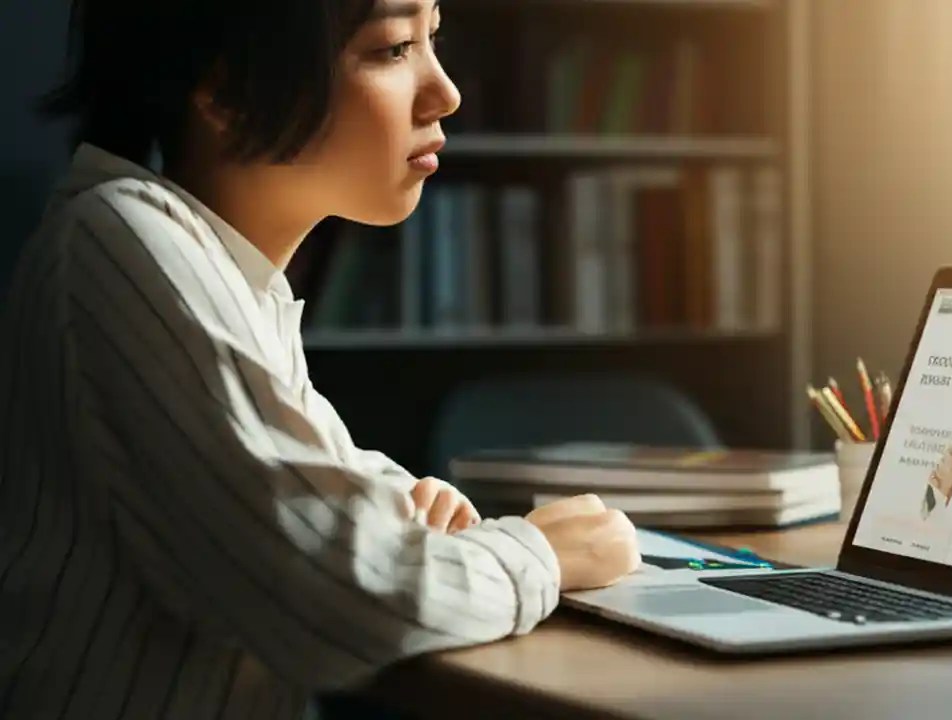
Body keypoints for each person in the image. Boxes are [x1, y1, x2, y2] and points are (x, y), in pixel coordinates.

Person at [0, 1, 641, 718]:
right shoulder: (122, 238)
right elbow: (349, 594)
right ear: (224, 88)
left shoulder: (237, 284)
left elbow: (336, 529)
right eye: (396, 48)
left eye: (434, 37)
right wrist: (538, 554)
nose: (446, 92)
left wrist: (411, 527)